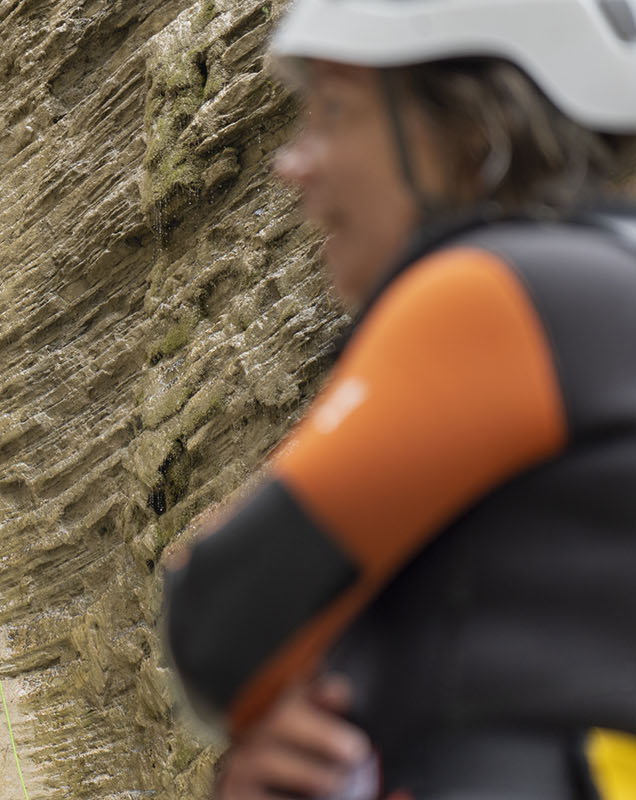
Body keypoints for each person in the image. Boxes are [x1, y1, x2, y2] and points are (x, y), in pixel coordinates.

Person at [163, 0, 636, 797]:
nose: (294, 162)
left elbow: (218, 623)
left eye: (335, 112)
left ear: (476, 128)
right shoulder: (606, 293)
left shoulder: (498, 291)